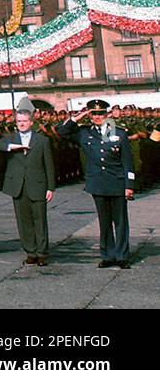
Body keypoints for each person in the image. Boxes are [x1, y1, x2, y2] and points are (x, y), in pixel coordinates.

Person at [59, 100, 134, 268]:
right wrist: (79, 117)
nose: (97, 117)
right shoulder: (84, 133)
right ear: (90, 115)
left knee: (120, 221)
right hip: (98, 183)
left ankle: (122, 256)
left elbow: (128, 162)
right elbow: (62, 131)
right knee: (104, 221)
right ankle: (107, 255)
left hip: (116, 182)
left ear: (107, 115)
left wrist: (129, 185)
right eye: (94, 114)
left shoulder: (119, 133)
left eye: (101, 114)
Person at [0, 108, 55, 266]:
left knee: (39, 220)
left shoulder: (42, 140)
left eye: (25, 121)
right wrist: (12, 147)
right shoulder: (11, 138)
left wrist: (50, 187)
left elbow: (49, 165)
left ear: (31, 122)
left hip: (37, 184)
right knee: (23, 220)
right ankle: (30, 252)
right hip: (18, 185)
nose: (22, 124)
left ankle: (42, 252)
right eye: (19, 121)